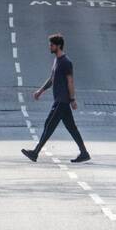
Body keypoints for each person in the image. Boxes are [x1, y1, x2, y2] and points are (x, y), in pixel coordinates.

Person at [22, 33, 90, 163]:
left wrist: (72, 100)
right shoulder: (57, 61)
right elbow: (52, 79)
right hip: (59, 101)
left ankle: (35, 153)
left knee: (49, 126)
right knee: (71, 128)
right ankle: (84, 153)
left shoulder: (66, 62)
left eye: (52, 45)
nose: (50, 46)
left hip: (62, 101)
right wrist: (40, 91)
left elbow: (70, 82)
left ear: (58, 46)